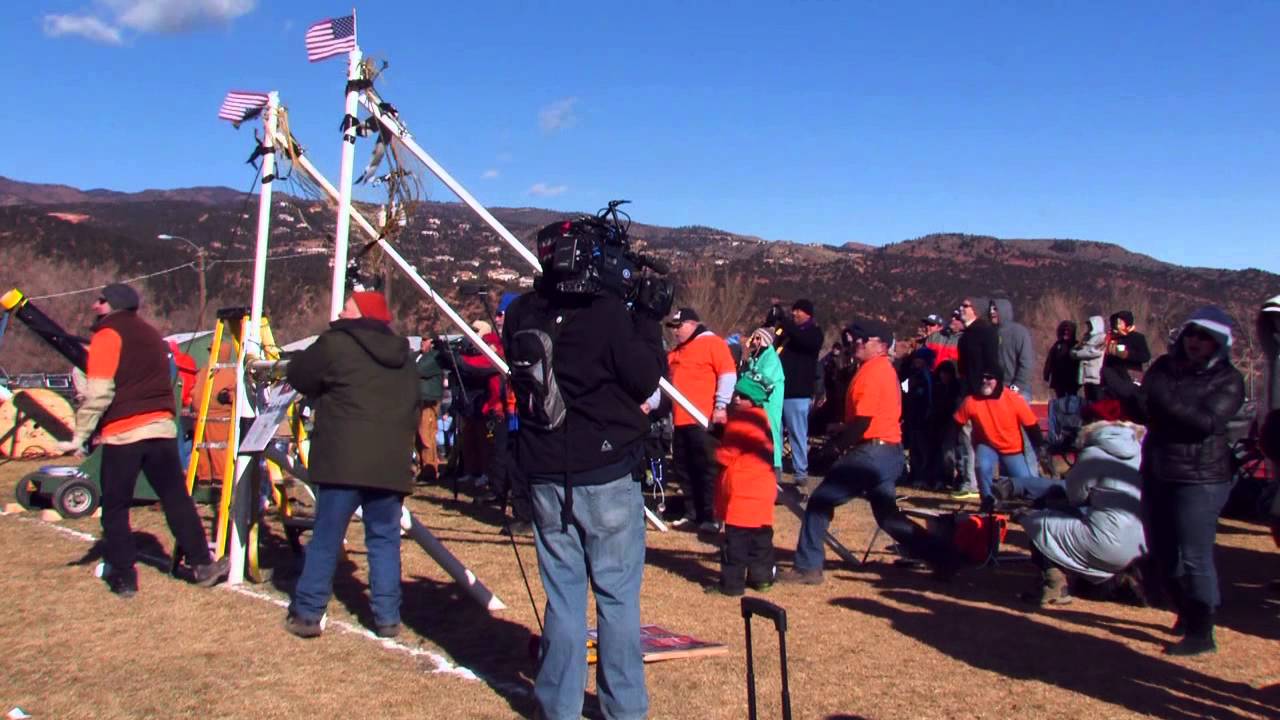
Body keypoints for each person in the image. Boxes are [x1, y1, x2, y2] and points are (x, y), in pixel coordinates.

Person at [502, 270, 664, 720]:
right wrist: (647, 319)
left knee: (564, 596)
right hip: (606, 471)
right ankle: (625, 708)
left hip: (545, 471)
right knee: (616, 596)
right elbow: (644, 378)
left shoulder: (519, 313)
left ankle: (558, 706)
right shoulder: (606, 312)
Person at [55, 282, 227, 598]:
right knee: (176, 498)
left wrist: (78, 436)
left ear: (114, 304)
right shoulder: (151, 334)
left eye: (101, 300)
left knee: (116, 506)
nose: (95, 305)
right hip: (161, 428)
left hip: (125, 431)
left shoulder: (108, 335)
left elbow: (100, 392)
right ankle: (203, 564)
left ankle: (123, 576)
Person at [779, 319, 957, 585]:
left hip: (871, 455)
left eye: (863, 340)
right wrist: (841, 428)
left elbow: (864, 423)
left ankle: (807, 567)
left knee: (820, 502)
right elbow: (869, 417)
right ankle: (943, 557)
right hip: (887, 452)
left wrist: (832, 450)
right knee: (888, 517)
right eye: (855, 340)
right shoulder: (878, 370)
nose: (856, 344)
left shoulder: (874, 373)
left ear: (881, 346)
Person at [283, 291, 419, 639]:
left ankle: (309, 612)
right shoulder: (404, 357)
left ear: (358, 314)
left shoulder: (336, 344)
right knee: (384, 540)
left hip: (343, 459)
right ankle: (388, 617)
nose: (339, 312)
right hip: (390, 462)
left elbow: (300, 375)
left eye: (346, 306)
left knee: (327, 537)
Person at [1133, 306, 1244, 656]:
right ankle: (1185, 610)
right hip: (1158, 468)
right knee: (1163, 552)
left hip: (1201, 477)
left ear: (1220, 344)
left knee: (1194, 554)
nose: (1195, 342)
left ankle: (1202, 631)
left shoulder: (1229, 380)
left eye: (1205, 337)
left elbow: (1206, 424)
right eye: (1191, 334)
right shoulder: (1164, 367)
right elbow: (1146, 408)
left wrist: (1162, 401)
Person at [1018, 407, 1147, 605]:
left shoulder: (1093, 453)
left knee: (1036, 521)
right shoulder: (1139, 450)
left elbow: (1075, 497)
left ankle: (1055, 585)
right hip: (1141, 543)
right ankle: (1122, 582)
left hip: (1106, 542)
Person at [707, 373, 779, 596]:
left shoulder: (742, 420)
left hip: (743, 494)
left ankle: (732, 585)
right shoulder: (762, 418)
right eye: (737, 394)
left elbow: (726, 455)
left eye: (743, 396)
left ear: (754, 399)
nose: (737, 399)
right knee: (761, 542)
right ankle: (762, 579)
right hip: (763, 491)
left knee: (735, 544)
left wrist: (710, 446)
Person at [666, 307, 737, 531]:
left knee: (707, 469)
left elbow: (727, 373)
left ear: (692, 325)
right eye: (673, 327)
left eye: (679, 326)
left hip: (703, 420)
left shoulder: (713, 343)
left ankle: (711, 516)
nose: (675, 331)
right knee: (683, 468)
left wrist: (721, 406)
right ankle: (692, 514)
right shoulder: (675, 353)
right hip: (680, 421)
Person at [953, 369, 1051, 510]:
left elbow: (1031, 425)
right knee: (982, 465)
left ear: (998, 380)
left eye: (989, 378)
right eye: (982, 378)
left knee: (1025, 481)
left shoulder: (1013, 399)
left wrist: (1041, 448)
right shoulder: (971, 401)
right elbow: (956, 424)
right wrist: (951, 444)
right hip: (986, 444)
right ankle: (988, 501)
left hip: (1011, 448)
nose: (985, 381)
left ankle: (1037, 504)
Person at [773, 299, 823, 493]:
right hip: (779, 391)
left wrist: (785, 322)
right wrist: (777, 325)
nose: (795, 314)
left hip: (799, 393)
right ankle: (775, 468)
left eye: (799, 312)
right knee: (775, 433)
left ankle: (801, 472)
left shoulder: (814, 333)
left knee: (797, 433)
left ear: (808, 314)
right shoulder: (786, 334)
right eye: (793, 311)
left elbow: (804, 343)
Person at [952, 296, 999, 499]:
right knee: (966, 437)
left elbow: (991, 362)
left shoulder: (984, 332)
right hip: (967, 391)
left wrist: (988, 390)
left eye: (966, 306)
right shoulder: (967, 335)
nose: (961, 309)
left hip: (979, 393)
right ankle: (969, 479)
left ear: (976, 310)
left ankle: (973, 482)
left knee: (976, 438)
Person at [742, 327, 786, 482]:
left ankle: (775, 475)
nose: (754, 341)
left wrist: (749, 393)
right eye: (754, 338)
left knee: (771, 435)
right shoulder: (754, 358)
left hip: (769, 405)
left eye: (758, 338)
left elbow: (764, 382)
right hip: (757, 406)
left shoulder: (771, 359)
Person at [415, 333, 446, 483]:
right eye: (421, 339)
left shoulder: (435, 356)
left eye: (426, 340)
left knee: (426, 433)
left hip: (429, 399)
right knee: (417, 436)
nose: (422, 342)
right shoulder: (416, 355)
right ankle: (420, 467)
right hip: (416, 399)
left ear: (432, 342)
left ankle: (430, 469)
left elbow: (419, 370)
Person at [1102, 310, 1151, 399]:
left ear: (1127, 323)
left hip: (1130, 375)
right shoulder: (1113, 338)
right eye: (1117, 323)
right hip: (1114, 376)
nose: (1117, 325)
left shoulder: (1138, 337)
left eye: (1120, 322)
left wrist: (1127, 355)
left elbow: (1145, 356)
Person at [1072, 315, 1108, 403]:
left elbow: (1094, 352)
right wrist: (1076, 352)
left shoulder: (1102, 338)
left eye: (1090, 325)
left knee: (1098, 402)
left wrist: (1078, 353)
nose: (1089, 327)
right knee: (1089, 403)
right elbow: (1073, 351)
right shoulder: (1086, 338)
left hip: (1096, 377)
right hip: (1085, 377)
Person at [1043, 321, 1081, 399]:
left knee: (1072, 399)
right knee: (1060, 399)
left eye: (1068, 331)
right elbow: (1050, 360)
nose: (1065, 333)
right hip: (1059, 378)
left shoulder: (1077, 345)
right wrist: (1046, 373)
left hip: (1072, 378)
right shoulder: (1057, 345)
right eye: (1064, 331)